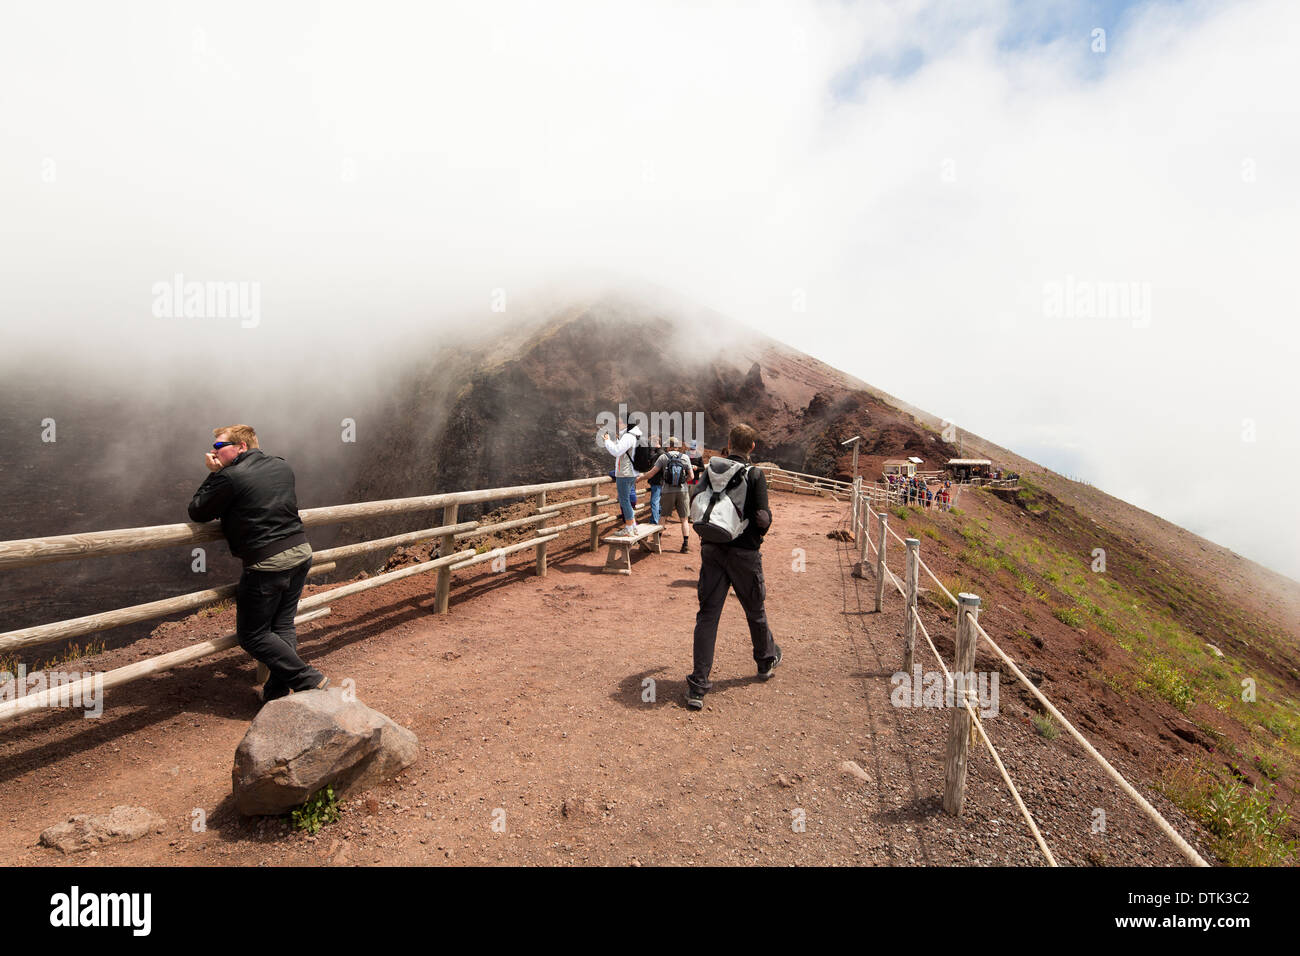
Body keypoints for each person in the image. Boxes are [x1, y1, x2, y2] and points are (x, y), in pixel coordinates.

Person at [188, 424, 329, 703]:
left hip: (268, 563)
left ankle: (309, 679)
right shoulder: (281, 466)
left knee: (252, 635)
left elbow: (198, 511)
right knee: (282, 625)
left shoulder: (229, 476)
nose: (213, 451)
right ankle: (276, 695)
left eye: (219, 446)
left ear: (241, 447)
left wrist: (213, 472)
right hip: (300, 552)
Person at [684, 423, 780, 710]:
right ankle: (765, 662)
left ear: (728, 442)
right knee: (755, 610)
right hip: (744, 553)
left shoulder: (712, 468)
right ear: (752, 447)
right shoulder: (755, 474)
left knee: (708, 615)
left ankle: (698, 687)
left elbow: (694, 499)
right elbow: (762, 518)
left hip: (712, 549)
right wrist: (756, 535)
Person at [640, 437, 695, 551]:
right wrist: (682, 481)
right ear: (678, 446)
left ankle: (657, 543)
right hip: (682, 491)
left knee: (663, 516)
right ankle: (685, 545)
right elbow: (692, 476)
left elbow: (652, 473)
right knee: (684, 519)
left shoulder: (663, 457)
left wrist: (640, 478)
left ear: (668, 446)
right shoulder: (685, 457)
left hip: (667, 490)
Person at [602, 420, 642, 534]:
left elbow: (616, 451)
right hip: (632, 473)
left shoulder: (628, 436)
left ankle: (629, 528)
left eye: (619, 421)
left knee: (624, 501)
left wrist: (607, 441)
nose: (617, 423)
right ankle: (633, 525)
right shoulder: (635, 435)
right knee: (627, 501)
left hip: (624, 473)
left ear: (626, 423)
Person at [636, 433, 665, 525]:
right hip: (663, 481)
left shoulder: (658, 454)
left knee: (654, 502)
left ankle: (654, 522)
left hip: (657, 481)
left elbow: (653, 470)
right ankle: (659, 520)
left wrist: (641, 478)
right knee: (659, 502)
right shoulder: (662, 453)